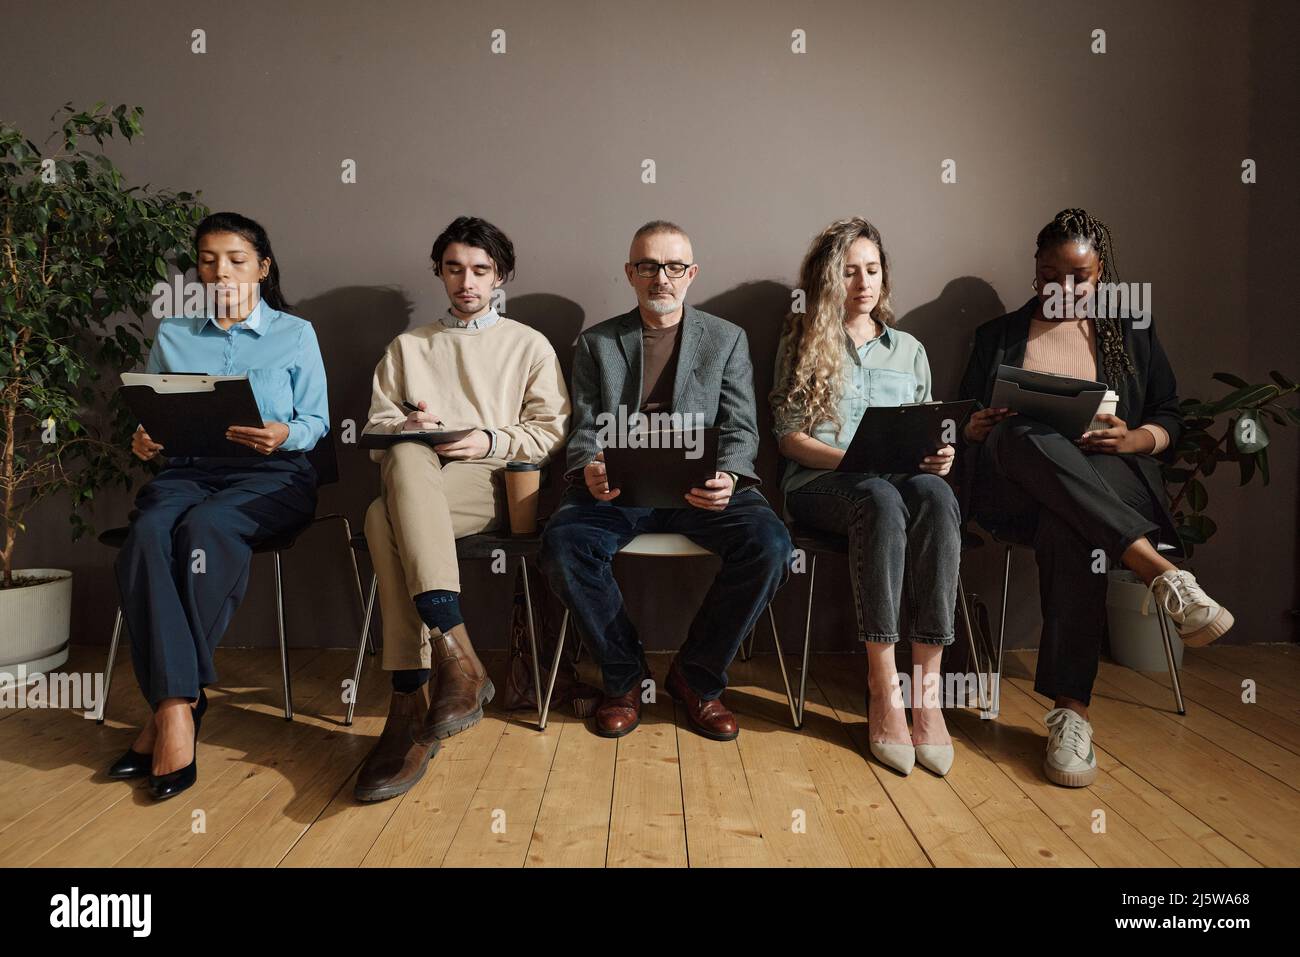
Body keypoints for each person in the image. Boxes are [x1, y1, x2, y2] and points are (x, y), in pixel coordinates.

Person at [958, 207, 1234, 788]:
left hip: (1112, 477)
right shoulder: (998, 337)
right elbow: (962, 421)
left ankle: (1071, 716)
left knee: (1072, 525)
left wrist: (1134, 437)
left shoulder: (1130, 329)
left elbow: (1170, 415)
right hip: (1019, 489)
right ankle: (1162, 575)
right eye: (1050, 275)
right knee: (1018, 435)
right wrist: (974, 427)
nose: (1063, 288)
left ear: (1101, 273)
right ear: (1035, 272)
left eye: (1078, 277)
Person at [538, 220, 792, 741]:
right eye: (648, 266)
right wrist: (589, 466)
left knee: (770, 544)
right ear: (630, 272)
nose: (662, 278)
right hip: (618, 490)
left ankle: (696, 678)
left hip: (701, 487)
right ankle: (624, 678)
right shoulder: (596, 343)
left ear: (691, 273)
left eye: (674, 266)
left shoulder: (726, 339)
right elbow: (584, 428)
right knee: (563, 544)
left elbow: (743, 428)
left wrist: (730, 474)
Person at [109, 212, 329, 800]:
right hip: (188, 471)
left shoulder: (295, 332)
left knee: (205, 529)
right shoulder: (175, 334)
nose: (221, 271)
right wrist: (145, 437)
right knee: (151, 531)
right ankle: (180, 704)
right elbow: (151, 410)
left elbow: (317, 421)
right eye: (208, 260)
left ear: (263, 266)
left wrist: (284, 434)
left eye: (235, 259)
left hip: (273, 474)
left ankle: (166, 713)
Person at [354, 216, 569, 801]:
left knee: (381, 518)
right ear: (439, 272)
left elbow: (550, 432)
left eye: (479, 270)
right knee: (400, 459)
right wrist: (409, 426)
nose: (466, 282)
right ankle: (454, 655)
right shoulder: (408, 346)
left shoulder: (527, 344)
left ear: (500, 275)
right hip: (418, 480)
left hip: (488, 482)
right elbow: (375, 427)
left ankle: (408, 697)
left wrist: (488, 441)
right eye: (454, 269)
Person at [770, 217, 961, 777]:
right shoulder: (801, 341)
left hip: (899, 489)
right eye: (849, 272)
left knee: (936, 494)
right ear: (828, 280)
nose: (864, 282)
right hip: (819, 488)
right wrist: (859, 462)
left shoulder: (910, 350)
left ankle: (926, 695)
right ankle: (884, 691)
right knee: (877, 494)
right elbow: (790, 439)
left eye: (872, 269)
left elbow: (930, 429)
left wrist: (939, 454)